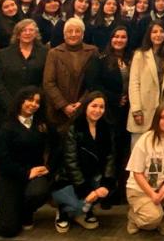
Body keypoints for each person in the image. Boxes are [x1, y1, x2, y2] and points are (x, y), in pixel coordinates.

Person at [0, 87, 52, 237]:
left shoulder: (42, 124)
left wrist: (48, 167)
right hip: (11, 177)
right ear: (20, 100)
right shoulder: (7, 126)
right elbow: (3, 161)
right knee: (9, 229)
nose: (33, 104)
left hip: (35, 176)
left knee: (41, 191)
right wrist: (27, 172)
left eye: (37, 102)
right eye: (30, 100)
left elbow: (58, 145)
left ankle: (26, 213)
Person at [51, 92, 116, 233]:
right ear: (85, 107)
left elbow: (110, 158)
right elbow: (71, 163)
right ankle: (64, 210)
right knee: (80, 204)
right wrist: (86, 191)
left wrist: (105, 184)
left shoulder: (106, 128)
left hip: (93, 177)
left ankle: (82, 211)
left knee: (107, 190)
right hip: (69, 180)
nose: (98, 110)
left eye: (101, 107)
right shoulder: (73, 128)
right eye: (94, 106)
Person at [84, 26, 132, 205]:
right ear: (111, 39)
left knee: (120, 154)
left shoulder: (131, 58)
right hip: (106, 112)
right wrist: (114, 99)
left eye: (123, 37)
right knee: (106, 153)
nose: (119, 40)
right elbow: (93, 84)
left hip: (126, 114)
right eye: (116, 37)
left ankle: (116, 191)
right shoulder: (99, 58)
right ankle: (103, 193)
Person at [125, 104, 164, 236]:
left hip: (160, 186)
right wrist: (152, 194)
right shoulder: (146, 140)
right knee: (152, 219)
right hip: (139, 190)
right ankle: (133, 217)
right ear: (156, 120)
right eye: (162, 117)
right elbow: (137, 173)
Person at [0, 19, 47, 136]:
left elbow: (46, 80)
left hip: (34, 109)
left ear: (36, 33)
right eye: (23, 30)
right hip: (6, 109)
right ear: (17, 34)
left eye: (31, 30)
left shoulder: (45, 53)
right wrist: (13, 106)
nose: (27, 33)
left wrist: (33, 103)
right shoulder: (3, 54)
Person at [42, 19, 99, 129]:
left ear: (83, 34)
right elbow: (48, 83)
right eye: (70, 31)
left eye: (77, 31)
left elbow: (95, 81)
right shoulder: (54, 53)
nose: (73, 34)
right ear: (64, 34)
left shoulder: (93, 51)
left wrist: (82, 103)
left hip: (85, 108)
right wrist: (64, 105)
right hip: (58, 111)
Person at [129, 20, 164, 145]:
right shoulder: (140, 54)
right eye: (154, 32)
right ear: (149, 35)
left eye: (161, 32)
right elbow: (134, 83)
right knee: (139, 151)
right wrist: (136, 110)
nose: (158, 35)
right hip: (143, 109)